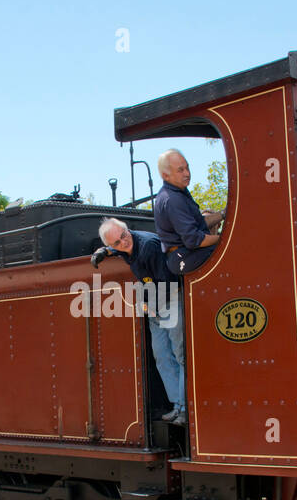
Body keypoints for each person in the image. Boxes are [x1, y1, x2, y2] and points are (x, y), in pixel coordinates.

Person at [92, 217, 187, 425]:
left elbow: (168, 281)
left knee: (180, 354)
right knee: (162, 355)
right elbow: (118, 247)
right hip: (155, 303)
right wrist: (104, 252)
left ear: (128, 230)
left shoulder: (148, 247)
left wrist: (151, 306)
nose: (123, 243)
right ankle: (177, 405)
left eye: (124, 236)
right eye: (116, 243)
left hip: (170, 298)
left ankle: (186, 408)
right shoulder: (123, 246)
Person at [152, 149, 224, 276]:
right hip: (184, 256)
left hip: (187, 253)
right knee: (231, 249)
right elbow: (195, 240)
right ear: (165, 175)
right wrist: (226, 238)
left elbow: (199, 223)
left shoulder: (180, 191)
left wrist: (223, 214)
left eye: (187, 168)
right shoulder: (172, 199)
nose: (187, 173)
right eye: (180, 170)